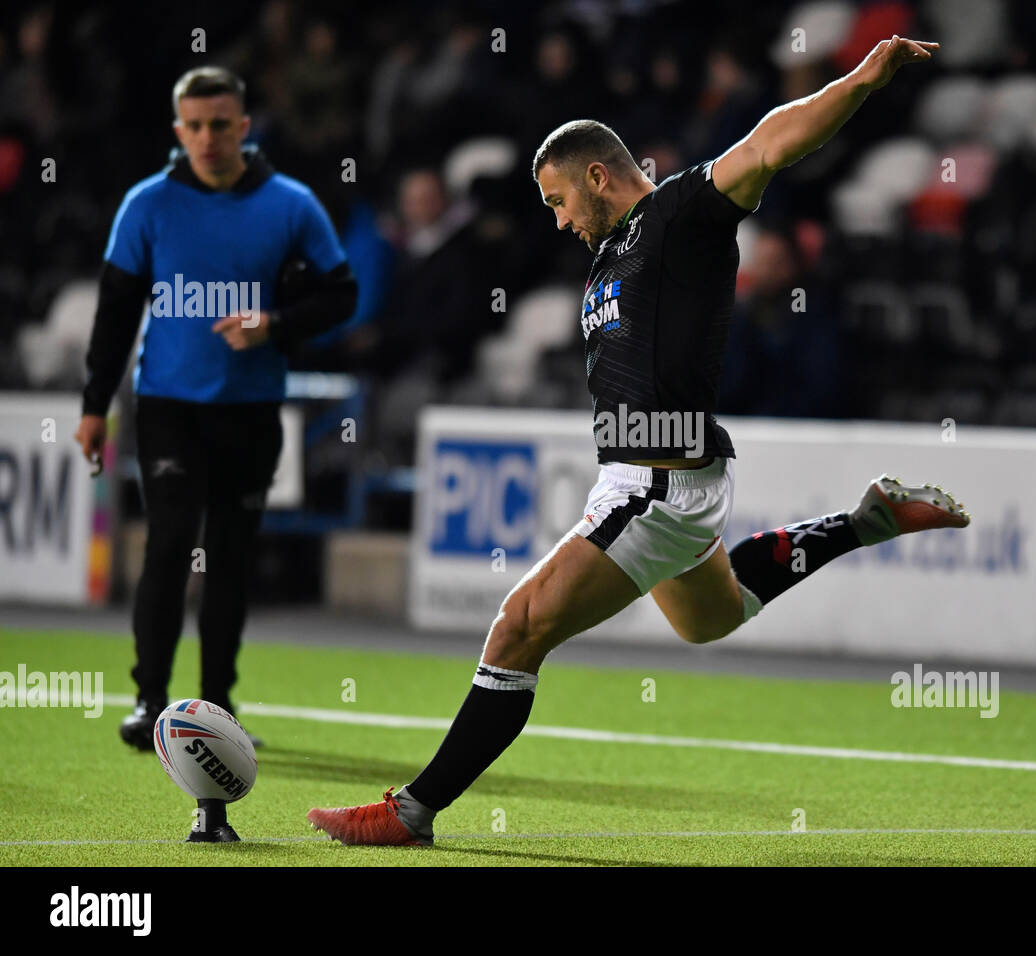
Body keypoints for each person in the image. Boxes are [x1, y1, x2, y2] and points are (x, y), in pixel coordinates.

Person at [308, 36, 958, 846]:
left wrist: (862, 78)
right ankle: (866, 521)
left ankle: (411, 812)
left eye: (558, 200)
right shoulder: (608, 257)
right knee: (708, 620)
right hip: (645, 476)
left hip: (657, 480)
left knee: (517, 629)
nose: (557, 219)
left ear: (596, 175)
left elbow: (770, 142)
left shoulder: (681, 215)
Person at [74, 66, 358, 750]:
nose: (206, 137)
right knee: (170, 545)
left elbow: (341, 294)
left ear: (243, 127)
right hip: (168, 404)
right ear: (179, 131)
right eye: (194, 126)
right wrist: (91, 407)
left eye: (219, 125)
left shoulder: (290, 205)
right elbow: (115, 316)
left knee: (230, 559)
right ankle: (149, 702)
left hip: (252, 409)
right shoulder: (147, 205)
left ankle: (217, 707)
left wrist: (275, 325)